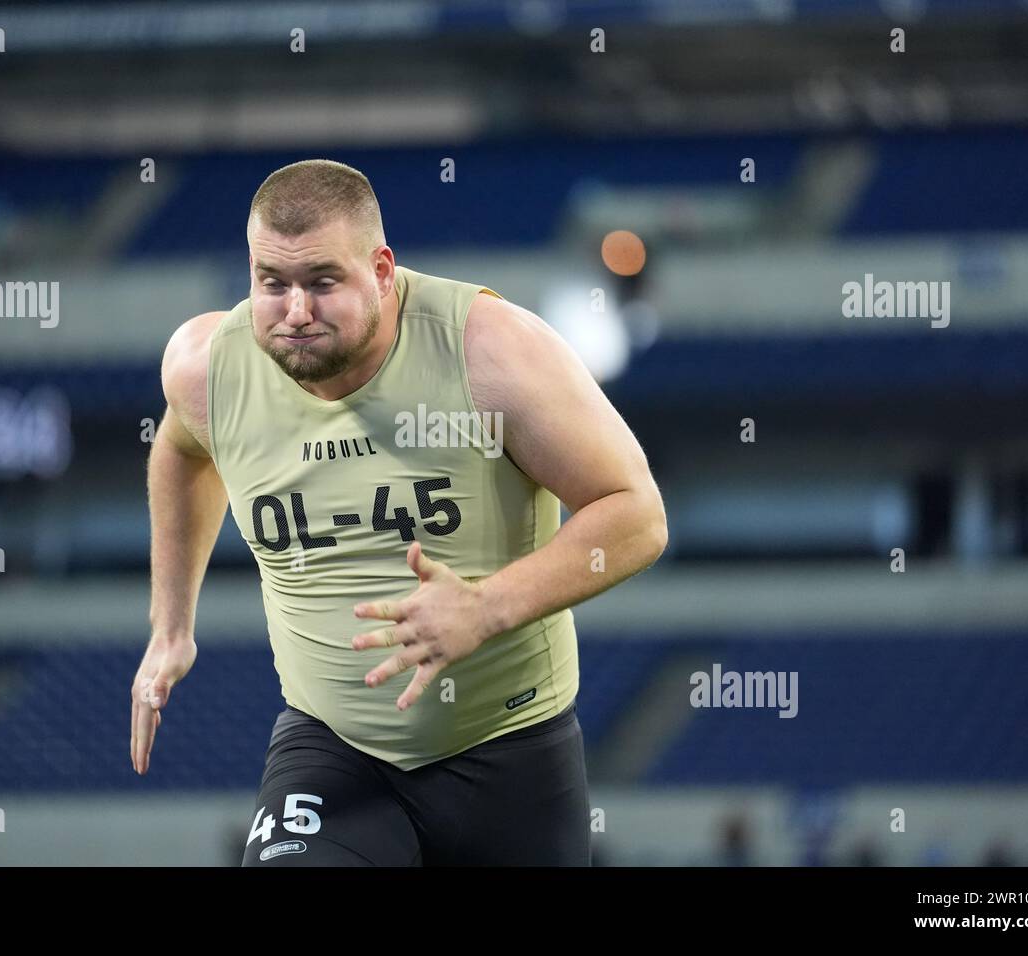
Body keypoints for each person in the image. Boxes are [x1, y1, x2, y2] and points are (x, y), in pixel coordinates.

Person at [131, 158, 668, 865]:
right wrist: (171, 627)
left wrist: (487, 606)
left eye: (322, 282)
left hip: (508, 752)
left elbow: (636, 515)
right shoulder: (209, 366)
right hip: (331, 749)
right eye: (273, 283)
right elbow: (181, 452)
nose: (295, 312)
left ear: (382, 271)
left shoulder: (490, 349)